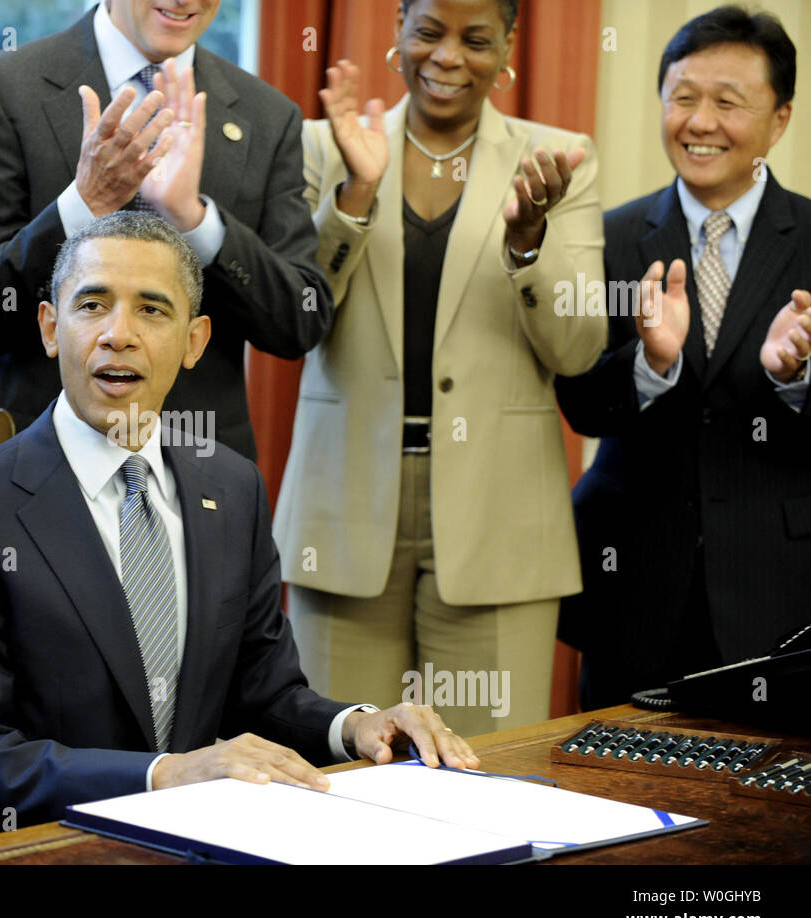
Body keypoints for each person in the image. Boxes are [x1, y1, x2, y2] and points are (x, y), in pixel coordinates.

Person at [0, 212, 476, 841]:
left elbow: (265, 693)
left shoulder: (230, 487)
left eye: (152, 310)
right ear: (49, 328)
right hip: (38, 845)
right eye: (92, 305)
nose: (118, 335)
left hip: (200, 842)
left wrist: (358, 726)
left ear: (195, 341)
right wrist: (163, 774)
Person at [272, 0, 607, 737]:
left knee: (487, 772)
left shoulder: (559, 160)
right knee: (343, 770)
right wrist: (355, 196)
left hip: (499, 514)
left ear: (508, 45)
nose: (447, 57)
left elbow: (579, 348)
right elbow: (293, 320)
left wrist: (528, 243)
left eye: (476, 39)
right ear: (398, 29)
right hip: (345, 505)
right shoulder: (323, 148)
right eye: (428, 32)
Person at [0, 0, 331, 461]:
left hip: (198, 469)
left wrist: (197, 222)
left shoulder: (268, 115)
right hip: (32, 467)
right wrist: (85, 204)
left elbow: (299, 322)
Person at [555, 5, 811, 709]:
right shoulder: (603, 237)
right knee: (615, 794)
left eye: (728, 102)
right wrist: (649, 364)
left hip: (779, 586)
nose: (700, 122)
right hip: (630, 579)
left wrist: (797, 377)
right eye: (683, 98)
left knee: (765, 811)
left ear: (779, 118)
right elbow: (578, 401)